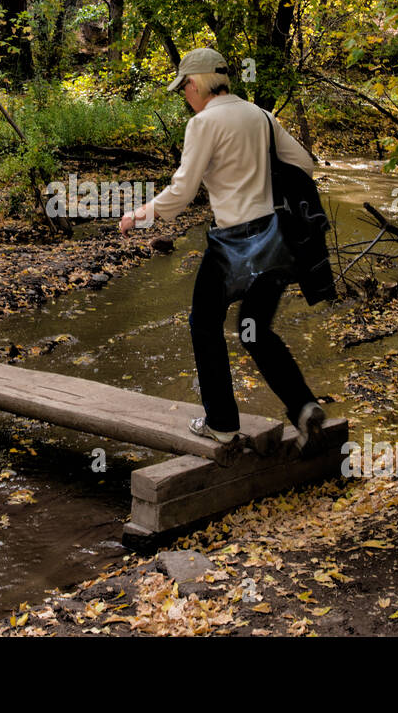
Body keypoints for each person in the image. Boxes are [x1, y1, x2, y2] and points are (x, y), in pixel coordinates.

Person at [119, 47, 333, 454]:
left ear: (197, 83)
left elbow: (181, 193)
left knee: (204, 324)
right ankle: (303, 406)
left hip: (234, 246)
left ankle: (221, 423)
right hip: (276, 244)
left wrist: (140, 215)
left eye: (184, 88)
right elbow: (304, 164)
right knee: (255, 329)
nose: (184, 96)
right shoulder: (262, 117)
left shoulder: (204, 123)